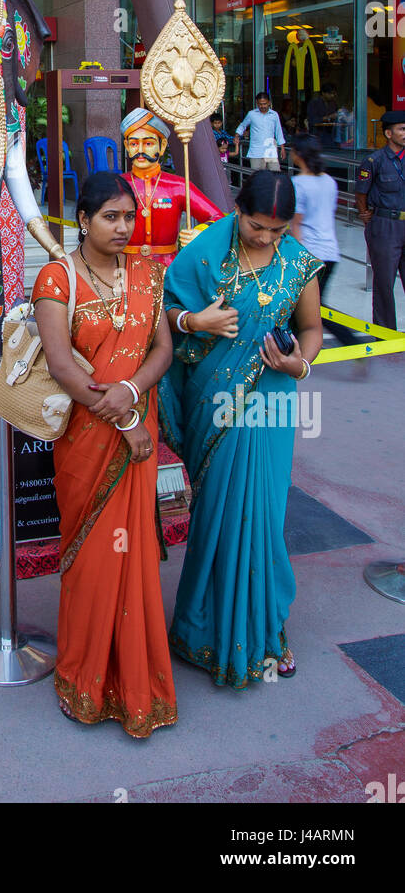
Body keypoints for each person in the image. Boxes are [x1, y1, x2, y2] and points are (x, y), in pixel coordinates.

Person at [160, 171, 323, 688]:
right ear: (237, 209)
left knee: (265, 517)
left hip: (271, 404)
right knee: (217, 515)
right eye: (257, 226)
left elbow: (311, 329)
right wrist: (195, 322)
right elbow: (159, 313)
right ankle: (200, 630)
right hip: (214, 404)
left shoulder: (297, 262)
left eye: (277, 231)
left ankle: (267, 632)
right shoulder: (206, 250)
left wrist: (301, 365)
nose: (266, 239)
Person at [32, 172, 177, 735]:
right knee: (94, 560)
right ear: (84, 219)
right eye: (110, 217)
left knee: (134, 558)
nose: (122, 227)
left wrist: (134, 395)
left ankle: (137, 679)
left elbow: (163, 347)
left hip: (136, 424)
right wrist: (125, 419)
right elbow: (62, 365)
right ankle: (85, 677)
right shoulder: (57, 276)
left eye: (129, 217)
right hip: (89, 440)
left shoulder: (149, 272)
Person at [120, 108, 223, 263]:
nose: (140, 150)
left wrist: (200, 232)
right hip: (123, 265)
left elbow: (219, 219)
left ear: (162, 146)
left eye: (148, 143)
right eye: (134, 143)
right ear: (127, 147)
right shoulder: (116, 185)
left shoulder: (178, 186)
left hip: (168, 267)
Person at [290, 134, 358, 346]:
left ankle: (350, 341)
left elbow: (296, 224)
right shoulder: (329, 181)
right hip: (330, 251)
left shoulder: (298, 183)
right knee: (310, 305)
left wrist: (297, 259)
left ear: (298, 154)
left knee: (309, 306)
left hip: (309, 253)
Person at [355, 110, 405, 330]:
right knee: (384, 283)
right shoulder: (374, 161)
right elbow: (361, 193)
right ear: (388, 133)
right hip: (385, 225)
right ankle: (385, 335)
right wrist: (365, 213)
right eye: (402, 129)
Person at [232, 92, 286, 170]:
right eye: (260, 104)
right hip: (256, 152)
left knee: (275, 174)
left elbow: (278, 131)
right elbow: (243, 125)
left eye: (265, 103)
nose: (263, 106)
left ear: (269, 103)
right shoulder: (251, 114)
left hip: (271, 151)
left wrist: (282, 148)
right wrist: (237, 135)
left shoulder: (274, 115)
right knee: (257, 176)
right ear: (257, 103)